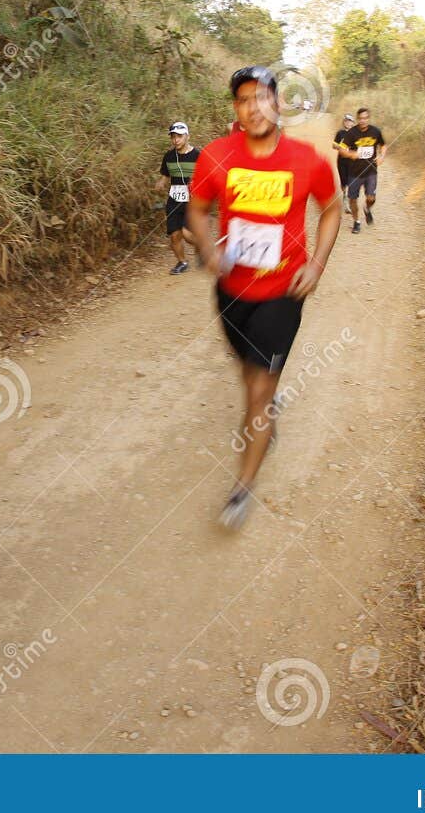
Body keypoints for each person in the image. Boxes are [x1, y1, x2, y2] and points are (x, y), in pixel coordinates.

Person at [187, 66, 342, 531]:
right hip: (232, 294)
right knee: (248, 372)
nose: (254, 107)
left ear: (279, 103)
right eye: (244, 100)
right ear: (236, 110)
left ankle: (241, 487)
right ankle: (263, 410)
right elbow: (196, 209)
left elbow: (332, 208)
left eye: (263, 97)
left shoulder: (307, 159)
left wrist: (316, 264)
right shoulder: (215, 156)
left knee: (259, 393)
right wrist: (208, 244)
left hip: (282, 294)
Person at [158, 122, 201, 275]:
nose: (176, 140)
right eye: (173, 137)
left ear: (187, 136)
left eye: (179, 136)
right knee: (175, 235)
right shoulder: (169, 156)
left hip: (193, 200)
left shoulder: (198, 155)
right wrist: (161, 183)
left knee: (188, 234)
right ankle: (182, 262)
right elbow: (165, 175)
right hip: (174, 199)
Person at [337, 106, 386, 234]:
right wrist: (350, 154)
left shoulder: (375, 131)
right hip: (354, 173)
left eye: (365, 118)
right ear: (357, 119)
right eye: (360, 118)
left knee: (371, 198)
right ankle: (356, 221)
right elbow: (341, 149)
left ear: (368, 119)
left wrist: (381, 156)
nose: (363, 121)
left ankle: (367, 209)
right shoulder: (351, 133)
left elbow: (383, 145)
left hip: (371, 171)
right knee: (353, 199)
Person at [333, 113, 355, 187]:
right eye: (346, 121)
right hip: (341, 160)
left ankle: (350, 193)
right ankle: (344, 193)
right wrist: (340, 147)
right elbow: (334, 145)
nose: (348, 123)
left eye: (350, 121)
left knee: (351, 179)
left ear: (353, 123)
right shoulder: (340, 133)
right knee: (343, 180)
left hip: (352, 160)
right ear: (343, 122)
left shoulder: (356, 134)